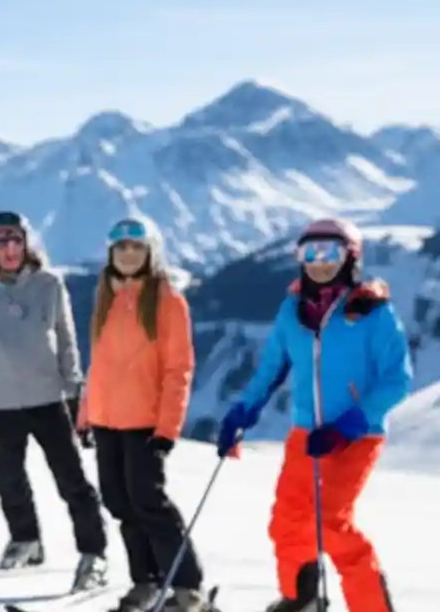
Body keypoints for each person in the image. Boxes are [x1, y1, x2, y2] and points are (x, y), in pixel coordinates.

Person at [216, 218, 411, 612]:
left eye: (330, 253)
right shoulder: (293, 310)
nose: (319, 263)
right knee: (287, 521)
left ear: (350, 258)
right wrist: (243, 411)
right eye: (309, 253)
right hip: (306, 434)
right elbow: (273, 367)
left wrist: (351, 424)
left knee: (330, 523)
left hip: (357, 434)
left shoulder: (372, 311)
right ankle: (300, 601)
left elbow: (397, 379)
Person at [0, 210, 109, 592]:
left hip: (47, 396)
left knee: (71, 478)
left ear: (27, 244)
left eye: (16, 241)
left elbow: (67, 338)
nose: (9, 249)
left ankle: (94, 553)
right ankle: (26, 540)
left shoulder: (49, 284)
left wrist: (75, 391)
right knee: (9, 478)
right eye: (1, 242)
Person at [77, 217, 210, 612]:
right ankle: (146, 581)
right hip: (105, 421)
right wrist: (87, 415)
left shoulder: (168, 300)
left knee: (148, 502)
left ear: (150, 252)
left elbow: (178, 368)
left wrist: (168, 427)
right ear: (111, 254)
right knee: (119, 503)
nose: (129, 255)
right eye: (122, 248)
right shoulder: (107, 295)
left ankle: (186, 586)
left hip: (145, 423)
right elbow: (98, 363)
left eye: (137, 247)